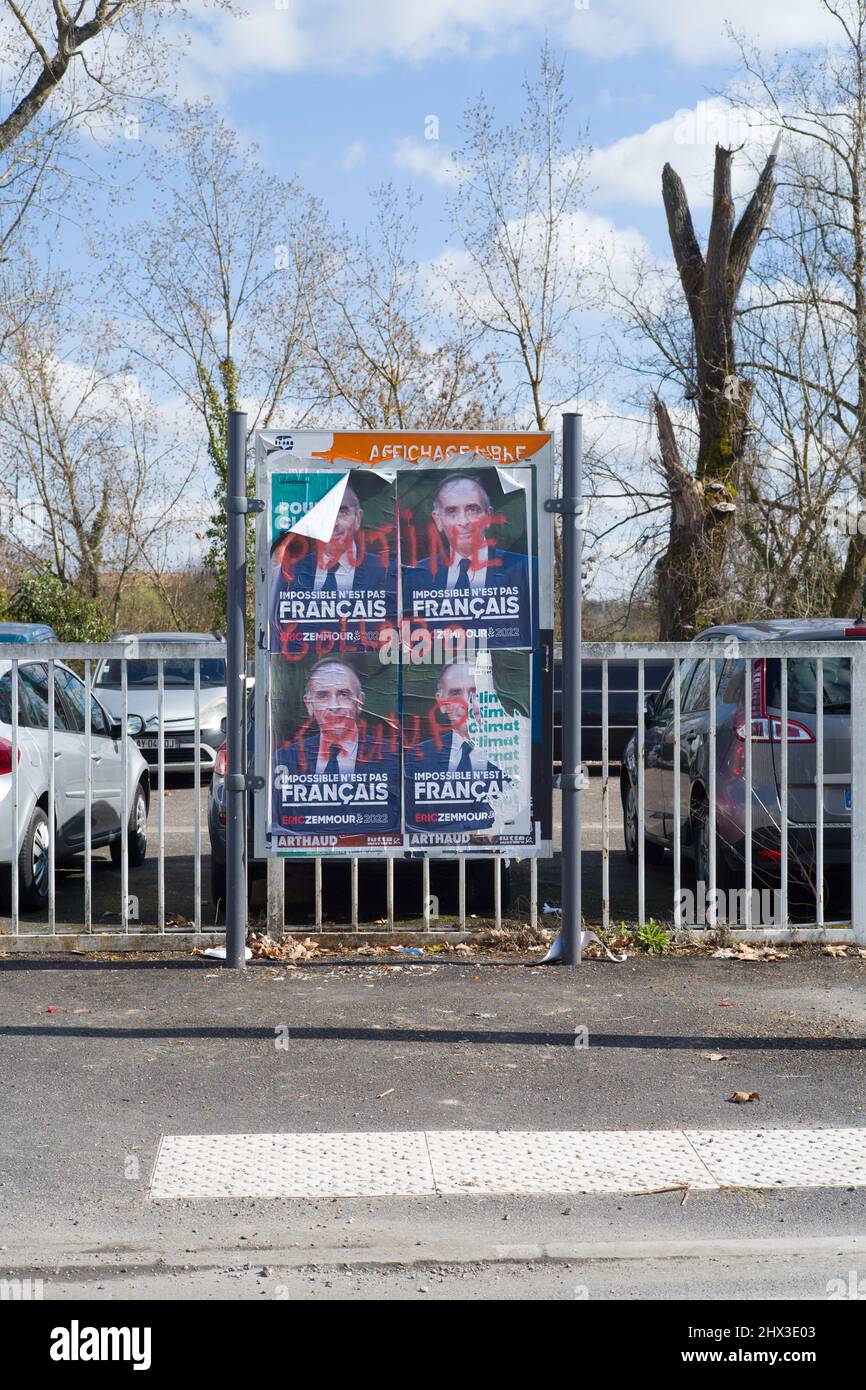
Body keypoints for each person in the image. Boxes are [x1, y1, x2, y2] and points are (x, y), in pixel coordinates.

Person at [272, 659, 400, 835]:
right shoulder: (285, 759)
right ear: (309, 704)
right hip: (308, 859)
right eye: (323, 695)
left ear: (360, 702)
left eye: (344, 694)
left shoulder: (393, 757)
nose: (334, 706)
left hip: (372, 858)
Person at [401, 475, 530, 646]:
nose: (463, 521)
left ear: (489, 516)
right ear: (438, 519)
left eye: (472, 509)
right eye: (451, 511)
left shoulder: (525, 569)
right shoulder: (416, 577)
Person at [269, 484, 393, 651]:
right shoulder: (287, 574)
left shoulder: (385, 572)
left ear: (358, 519)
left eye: (342, 512)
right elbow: (276, 640)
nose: (333, 524)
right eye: (325, 513)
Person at [404, 659, 509, 835]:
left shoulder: (513, 751)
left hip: (494, 856)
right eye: (455, 693)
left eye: (476, 692)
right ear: (441, 702)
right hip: (434, 859)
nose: (467, 702)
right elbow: (414, 826)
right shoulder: (419, 755)